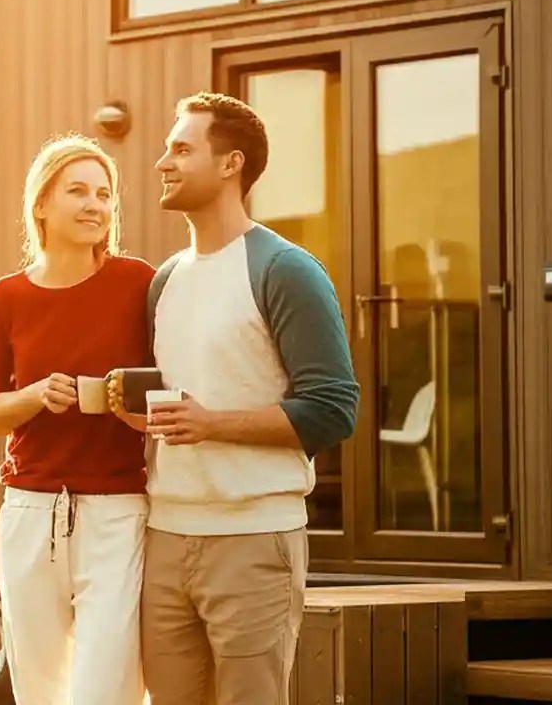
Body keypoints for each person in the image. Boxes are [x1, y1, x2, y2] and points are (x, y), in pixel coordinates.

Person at [137, 91, 360, 703]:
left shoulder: (285, 269)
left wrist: (212, 424)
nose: (162, 162)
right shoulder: (165, 280)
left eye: (181, 149)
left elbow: (333, 409)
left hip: (254, 540)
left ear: (230, 164)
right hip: (165, 537)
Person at [0, 133, 154, 704]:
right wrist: (32, 396)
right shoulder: (4, 298)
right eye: (78, 191)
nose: (95, 204)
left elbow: (171, 384)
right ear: (42, 203)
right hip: (30, 512)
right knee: (40, 689)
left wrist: (132, 406)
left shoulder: (138, 284)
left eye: (104, 193)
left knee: (109, 687)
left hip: (117, 512)